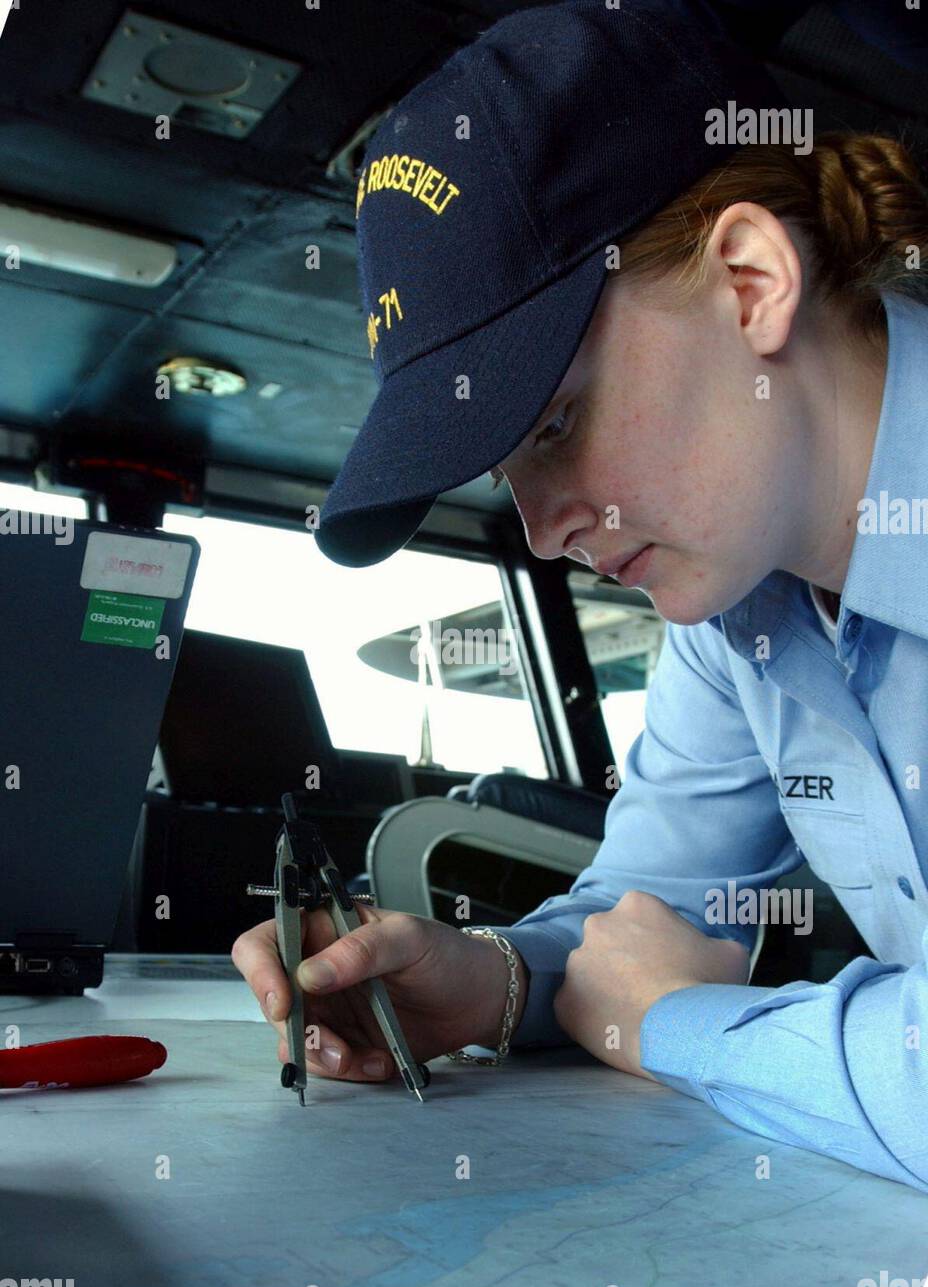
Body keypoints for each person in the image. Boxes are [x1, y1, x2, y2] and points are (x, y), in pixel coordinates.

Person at [232, 0, 928, 1193]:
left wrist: (666, 1023)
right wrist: (495, 977)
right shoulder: (735, 615)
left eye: (555, 422)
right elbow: (639, 917)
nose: (547, 531)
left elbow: (649, 987)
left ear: (751, 279)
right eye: (511, 473)